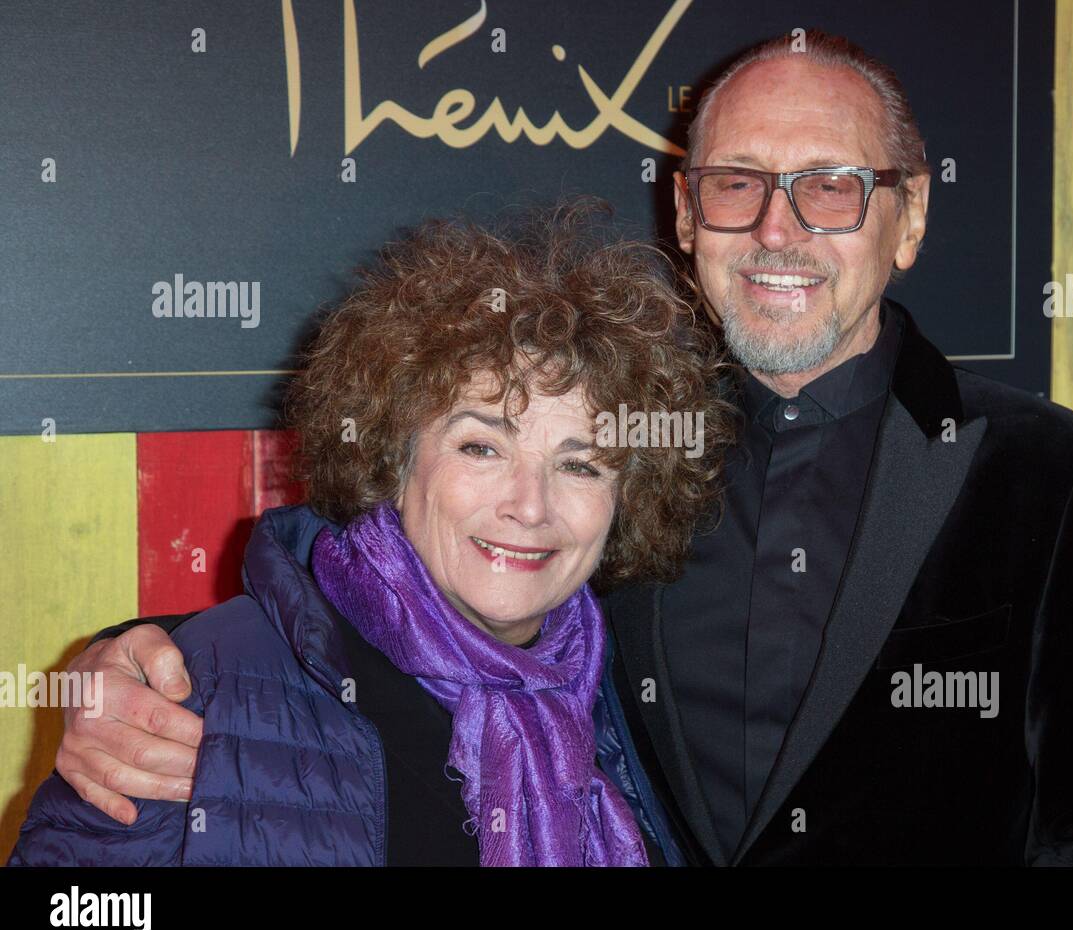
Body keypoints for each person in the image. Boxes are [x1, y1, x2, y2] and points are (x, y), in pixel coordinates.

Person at [35, 31, 1073, 866]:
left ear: (911, 216)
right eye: (736, 183)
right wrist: (129, 659)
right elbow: (381, 590)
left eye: (831, 189)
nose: (777, 227)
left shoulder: (1047, 474)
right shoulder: (622, 445)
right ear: (685, 217)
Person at [8, 201, 730, 866]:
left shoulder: (624, 704)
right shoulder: (196, 687)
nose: (529, 505)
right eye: (481, 447)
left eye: (580, 465)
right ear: (393, 456)